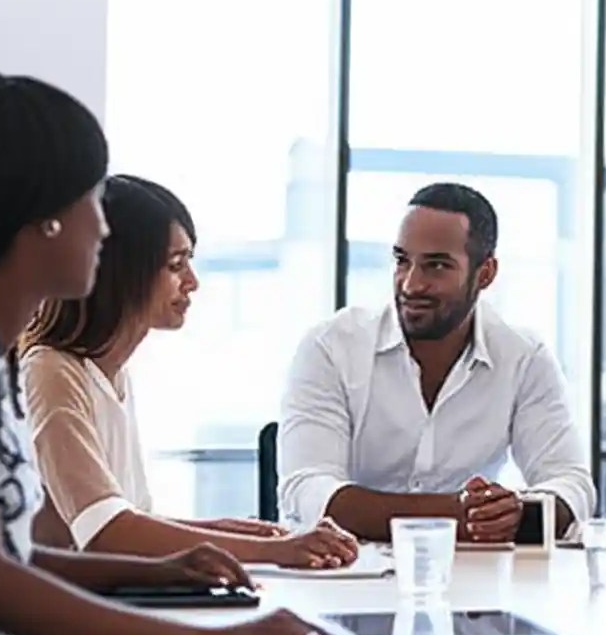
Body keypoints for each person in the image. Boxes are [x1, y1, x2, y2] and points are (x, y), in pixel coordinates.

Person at [0, 69, 350, 635]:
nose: (102, 228)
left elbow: (7, 555)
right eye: (88, 202)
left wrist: (158, 569)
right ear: (43, 218)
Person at [20, 174, 358, 569]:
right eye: (176, 265)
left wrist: (230, 532)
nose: (192, 283)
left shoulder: (110, 376)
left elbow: (130, 519)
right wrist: (274, 552)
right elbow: (106, 532)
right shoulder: (51, 371)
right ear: (123, 272)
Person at [278, 182, 596, 542]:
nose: (412, 284)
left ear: (486, 274)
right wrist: (465, 517)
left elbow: (573, 484)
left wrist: (520, 514)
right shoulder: (331, 347)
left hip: (471, 581)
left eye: (437, 266)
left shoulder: (523, 356)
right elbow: (310, 492)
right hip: (339, 576)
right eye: (402, 261)